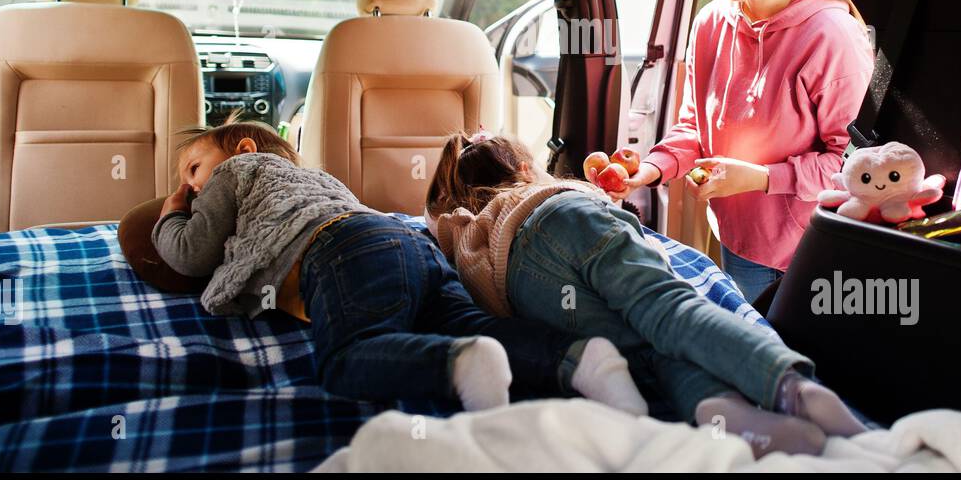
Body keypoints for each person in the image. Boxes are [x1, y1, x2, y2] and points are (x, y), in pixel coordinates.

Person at [151, 110, 646, 415]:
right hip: (404, 245)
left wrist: (171, 214)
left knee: (347, 357)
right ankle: (583, 359)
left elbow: (191, 254)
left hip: (340, 251)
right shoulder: (316, 182)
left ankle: (456, 365)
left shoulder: (237, 172)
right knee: (466, 322)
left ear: (242, 149)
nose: (191, 185)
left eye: (193, 169)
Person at [426, 130, 869, 457]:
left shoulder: (468, 236)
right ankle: (793, 388)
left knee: (643, 354)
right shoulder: (548, 192)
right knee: (668, 311)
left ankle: (722, 412)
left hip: (524, 283)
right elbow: (598, 221)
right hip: (565, 220)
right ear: (524, 169)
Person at [611, 0, 874, 303]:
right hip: (737, 240)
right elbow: (693, 127)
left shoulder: (830, 35)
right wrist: (649, 170)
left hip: (804, 252)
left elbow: (855, 167)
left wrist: (762, 179)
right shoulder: (712, 23)